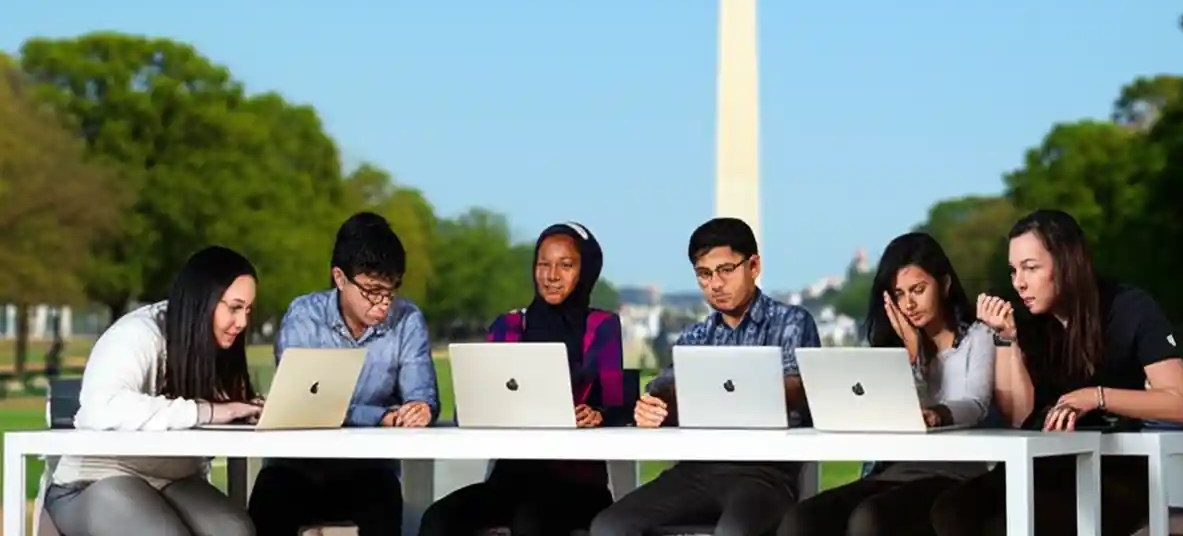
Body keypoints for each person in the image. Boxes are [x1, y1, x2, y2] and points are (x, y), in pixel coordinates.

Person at [930, 209, 1183, 536]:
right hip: (1045, 466)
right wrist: (1005, 339)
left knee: (1004, 524)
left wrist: (1095, 397)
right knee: (951, 510)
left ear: (1068, 263)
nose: (1019, 283)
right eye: (1014, 271)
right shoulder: (1028, 322)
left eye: (1030, 268)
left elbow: (1182, 405)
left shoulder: (1130, 308)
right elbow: (1019, 416)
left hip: (1112, 475)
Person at [590, 217, 821, 536]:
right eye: (704, 274)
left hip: (765, 472)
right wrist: (654, 407)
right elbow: (663, 390)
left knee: (734, 532)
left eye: (726, 270)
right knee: (609, 526)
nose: (715, 284)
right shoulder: (696, 336)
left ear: (753, 266)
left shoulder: (792, 321)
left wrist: (706, 396)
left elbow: (798, 388)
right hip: (696, 470)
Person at [776, 232, 995, 536]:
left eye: (918, 290)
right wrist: (910, 355)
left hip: (953, 474)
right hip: (896, 471)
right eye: (900, 294)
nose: (909, 304)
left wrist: (936, 413)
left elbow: (976, 404)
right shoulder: (891, 350)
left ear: (944, 285)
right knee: (801, 519)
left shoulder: (977, 337)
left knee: (869, 519)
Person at [418, 221, 625, 536]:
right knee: (437, 520)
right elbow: (470, 408)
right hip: (510, 481)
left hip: (578, 486)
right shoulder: (508, 326)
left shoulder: (602, 326)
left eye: (565, 265)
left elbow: (618, 402)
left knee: (531, 523)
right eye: (543, 264)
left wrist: (599, 414)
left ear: (587, 270)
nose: (551, 276)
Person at [44, 246, 262, 536]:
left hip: (176, 479)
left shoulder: (219, 344)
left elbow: (221, 411)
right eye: (234, 307)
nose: (242, 322)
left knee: (235, 531)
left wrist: (244, 411)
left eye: (248, 309)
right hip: (95, 480)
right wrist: (206, 411)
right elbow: (101, 408)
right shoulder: (137, 334)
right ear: (203, 301)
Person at [248, 212, 441, 536]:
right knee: (266, 509)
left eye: (390, 292)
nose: (382, 304)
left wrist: (420, 408)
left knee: (385, 505)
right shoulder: (304, 317)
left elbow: (421, 393)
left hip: (368, 470)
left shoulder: (407, 320)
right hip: (296, 468)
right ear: (339, 278)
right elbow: (302, 406)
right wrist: (380, 417)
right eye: (371, 291)